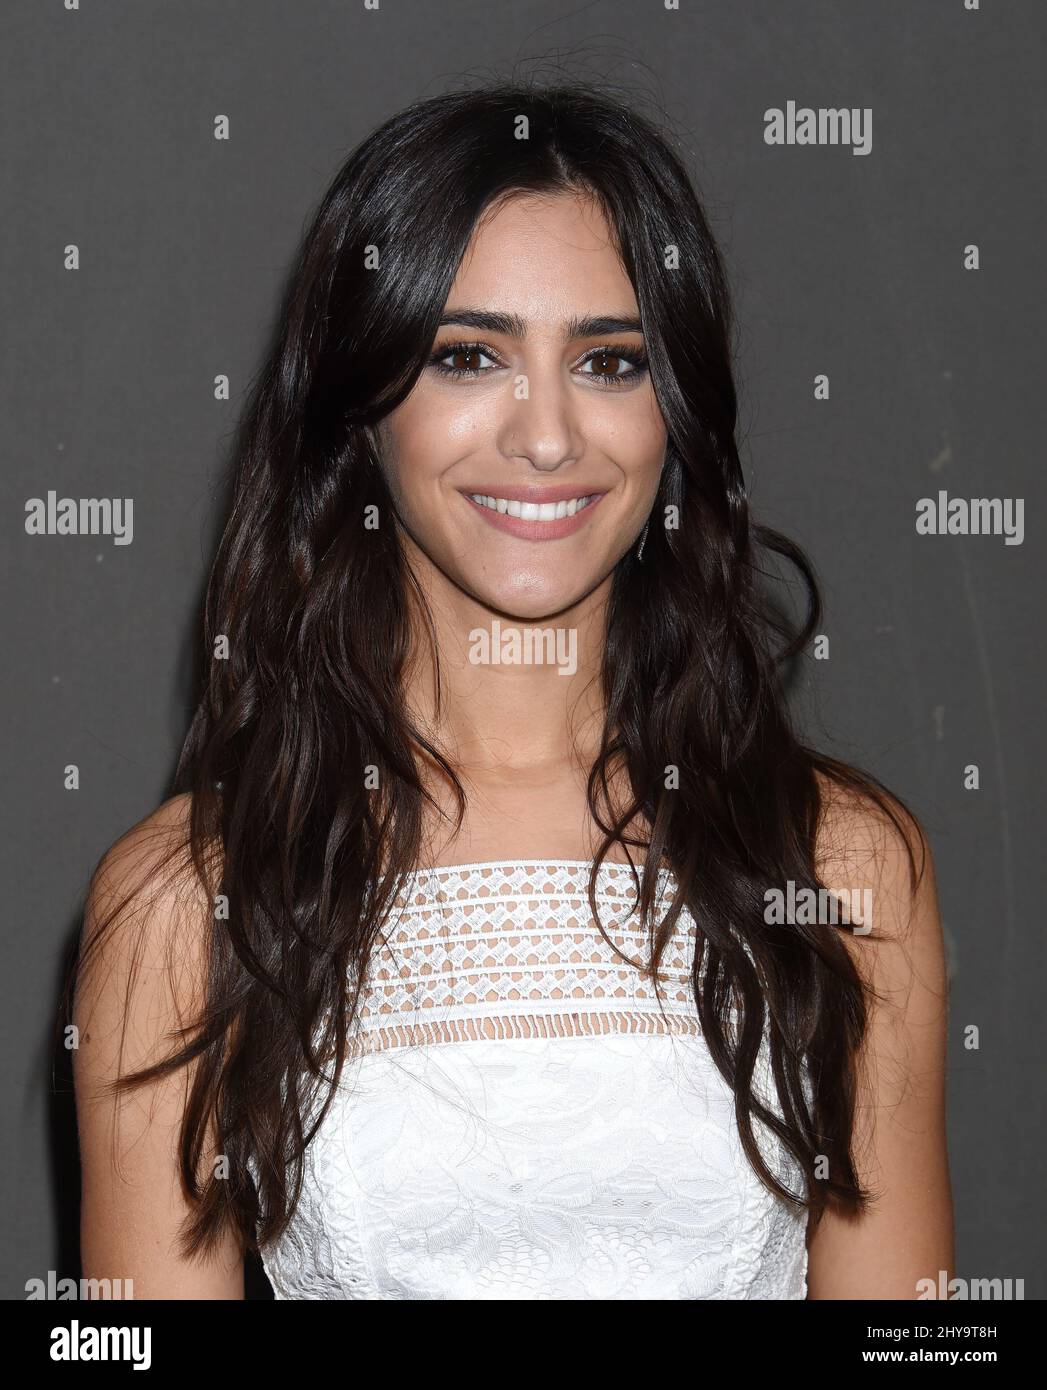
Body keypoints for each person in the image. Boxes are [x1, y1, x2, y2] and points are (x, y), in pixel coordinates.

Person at [66, 81, 953, 1299]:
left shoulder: (844, 864)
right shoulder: (185, 905)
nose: (547, 436)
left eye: (610, 360)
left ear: (674, 413)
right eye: (469, 355)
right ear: (358, 411)